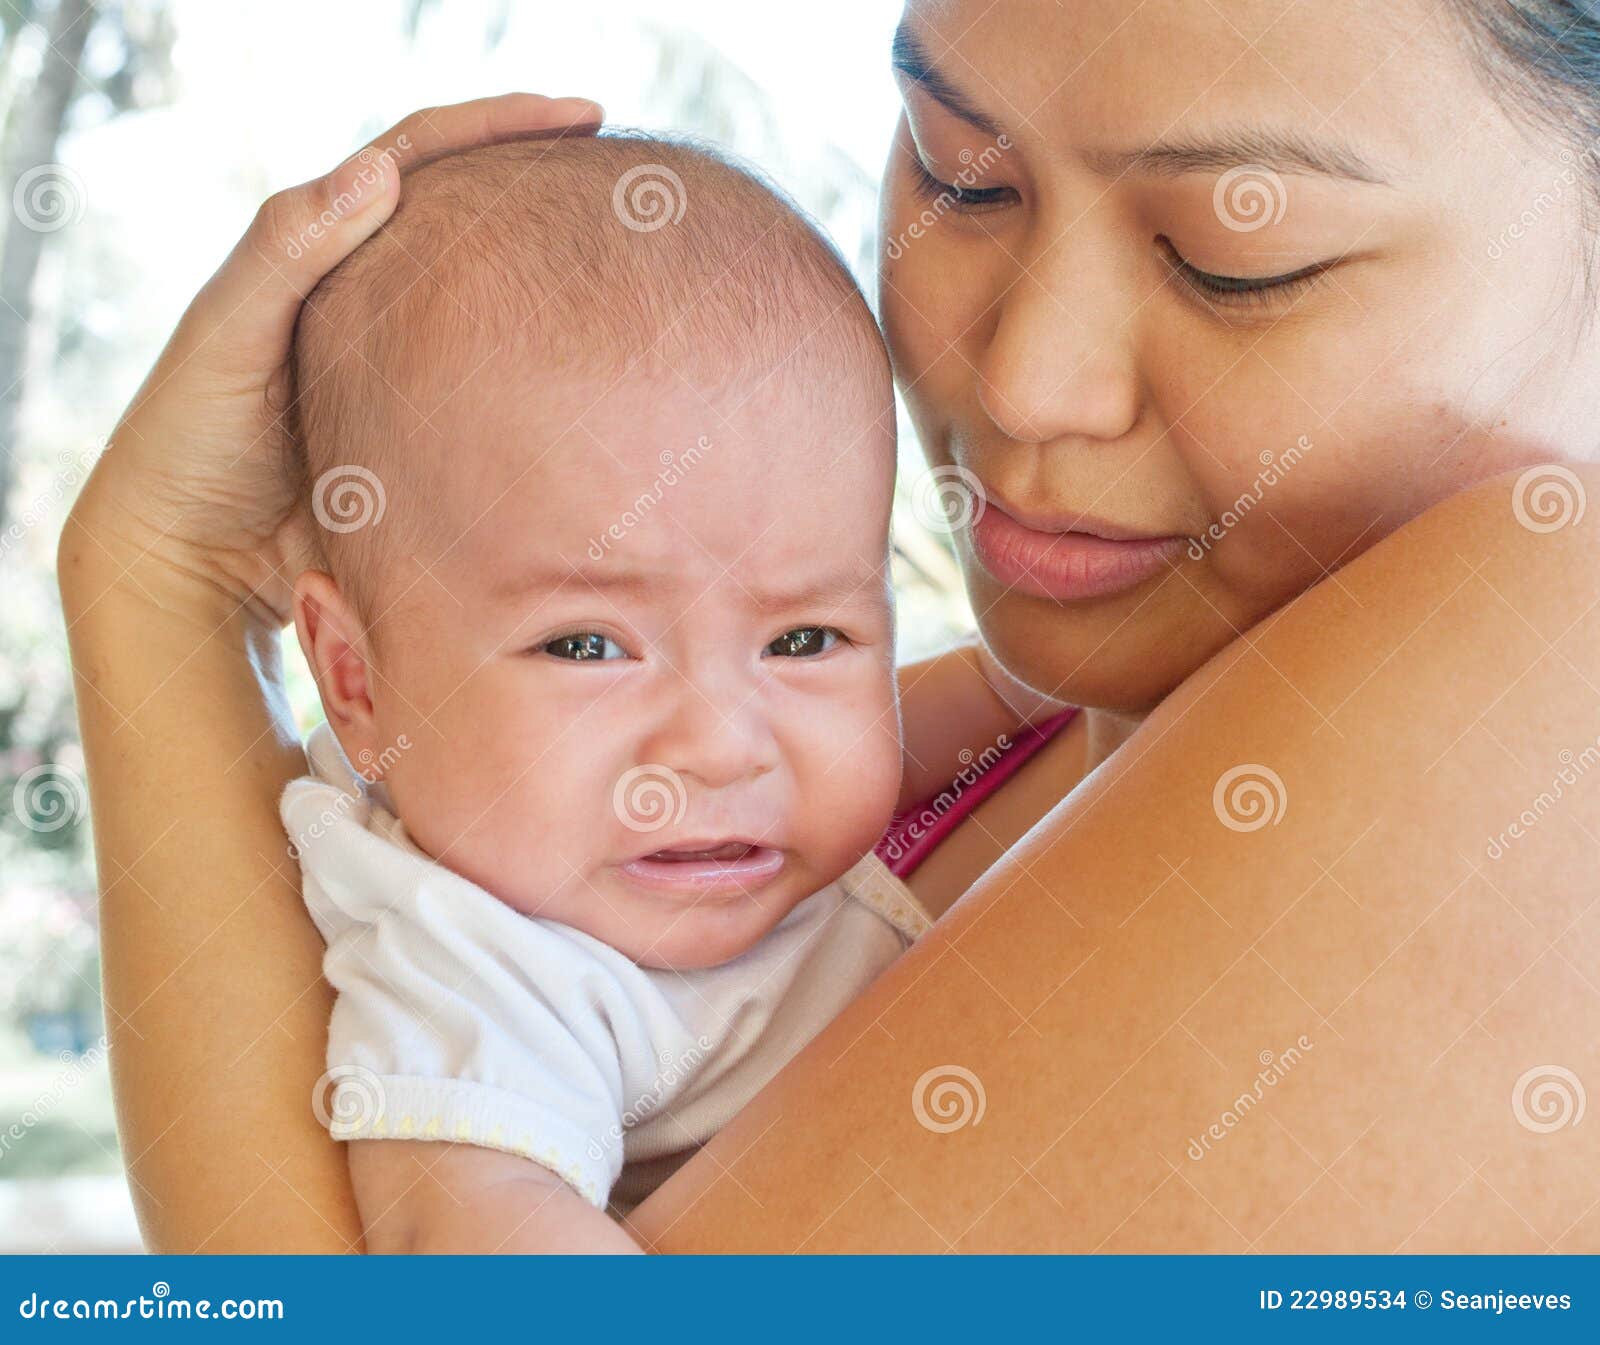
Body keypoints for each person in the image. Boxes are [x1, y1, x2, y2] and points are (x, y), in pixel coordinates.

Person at [61, 0, 1599, 1255]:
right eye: (961, 174)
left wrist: (157, 586)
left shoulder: (1554, 685)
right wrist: (151, 574)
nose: (1024, 386)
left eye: (1236, 256)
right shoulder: (972, 748)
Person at [279, 131, 1034, 1252]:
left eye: (804, 639)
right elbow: (472, 1228)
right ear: (358, 680)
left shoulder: (716, 820)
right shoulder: (482, 968)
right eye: (588, 647)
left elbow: (961, 704)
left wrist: (1037, 687)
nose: (724, 747)